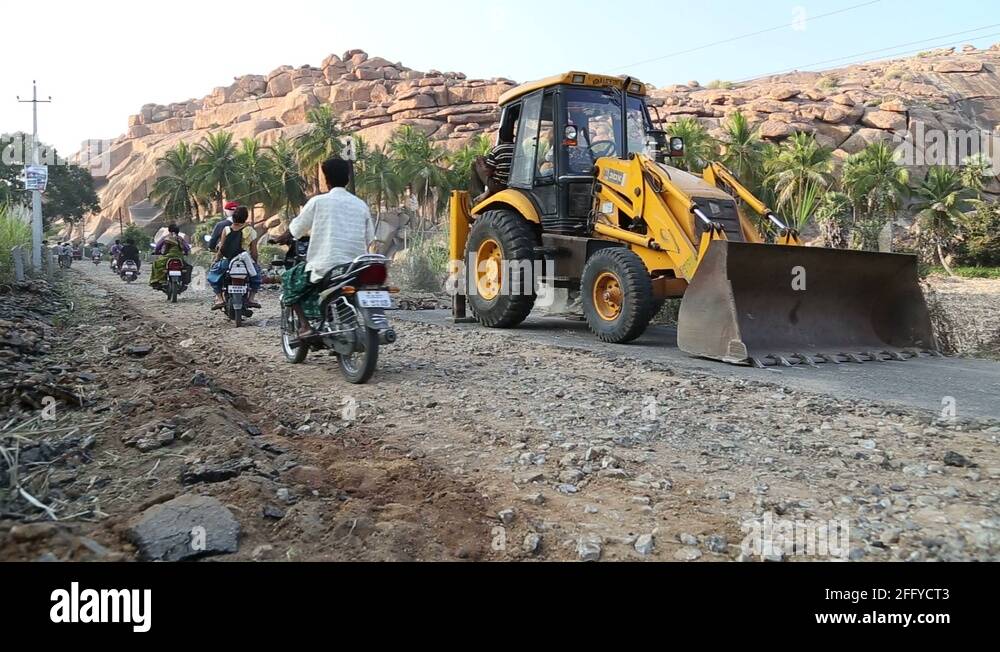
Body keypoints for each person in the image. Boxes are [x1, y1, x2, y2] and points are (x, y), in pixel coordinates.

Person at [283, 157, 375, 339]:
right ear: (348, 179)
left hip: (326, 265)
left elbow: (295, 229)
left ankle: (305, 326)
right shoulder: (361, 205)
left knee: (289, 280)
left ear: (327, 180)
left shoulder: (318, 202)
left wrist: (282, 237)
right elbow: (370, 237)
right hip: (355, 267)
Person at [207, 207, 264, 310]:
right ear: (245, 218)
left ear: (233, 218)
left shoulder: (227, 229)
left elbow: (222, 249)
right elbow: (254, 252)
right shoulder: (251, 231)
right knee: (257, 276)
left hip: (228, 261)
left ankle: (220, 299)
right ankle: (251, 298)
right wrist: (255, 264)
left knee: (213, 275)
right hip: (246, 261)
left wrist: (216, 261)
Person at [472, 130, 516, 204]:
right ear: (513, 137)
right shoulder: (518, 149)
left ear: (501, 138)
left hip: (500, 185)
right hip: (514, 183)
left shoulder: (497, 149)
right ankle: (487, 192)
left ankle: (479, 193)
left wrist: (482, 163)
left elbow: (488, 172)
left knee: (476, 162)